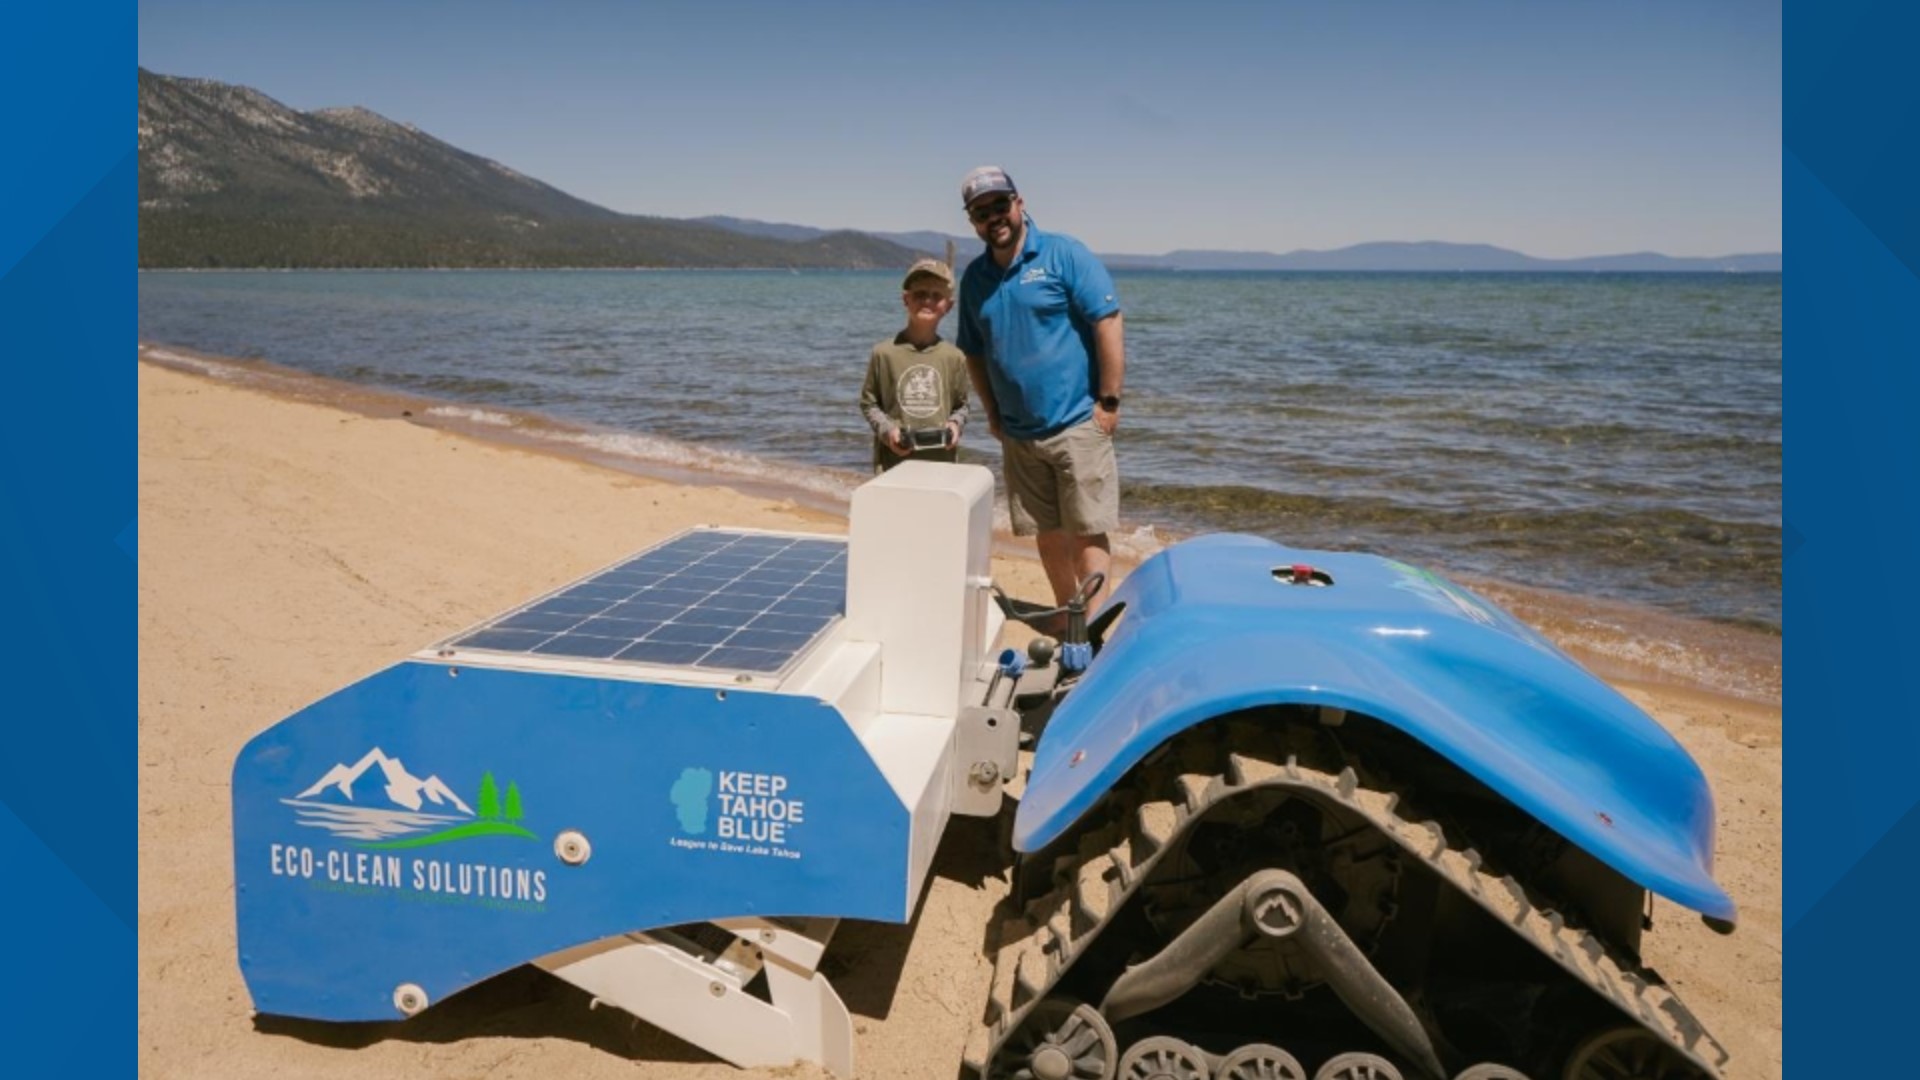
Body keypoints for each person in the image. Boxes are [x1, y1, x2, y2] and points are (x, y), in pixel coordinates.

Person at [955, 166, 1125, 613]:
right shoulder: (975, 279)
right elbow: (973, 352)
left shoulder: (1063, 254)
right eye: (981, 212)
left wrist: (1108, 401)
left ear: (1019, 203)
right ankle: (1068, 615)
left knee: (1088, 529)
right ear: (972, 222)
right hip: (1018, 434)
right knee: (1045, 533)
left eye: (1000, 205)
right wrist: (991, 412)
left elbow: (1107, 321)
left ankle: (1095, 626)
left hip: (1077, 424)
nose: (994, 217)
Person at [859, 258, 971, 473]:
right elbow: (869, 404)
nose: (927, 300)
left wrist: (955, 425)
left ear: (948, 305)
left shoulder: (954, 356)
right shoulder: (884, 352)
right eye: (919, 294)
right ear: (906, 299)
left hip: (942, 465)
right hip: (894, 465)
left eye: (937, 296)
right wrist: (887, 431)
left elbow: (962, 405)